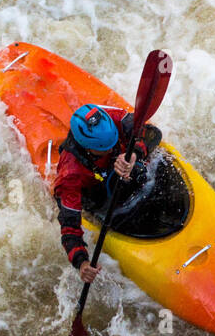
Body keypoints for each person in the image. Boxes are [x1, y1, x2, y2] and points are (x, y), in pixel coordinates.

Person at [54, 104, 161, 282]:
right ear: (87, 148)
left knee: (140, 170)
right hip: (99, 195)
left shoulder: (113, 119)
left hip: (126, 171)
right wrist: (82, 263)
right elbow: (69, 227)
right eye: (105, 148)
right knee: (114, 186)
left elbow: (152, 133)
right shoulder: (70, 175)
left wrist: (133, 154)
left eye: (113, 143)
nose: (111, 150)